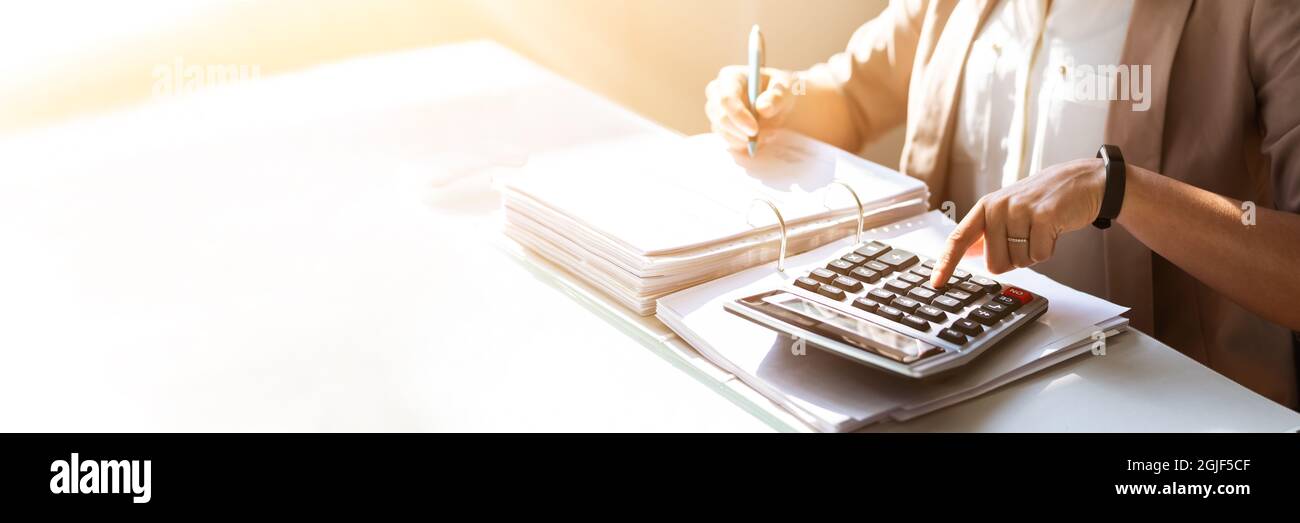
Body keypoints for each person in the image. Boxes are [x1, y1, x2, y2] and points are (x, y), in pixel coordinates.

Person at [705, 0, 1300, 408]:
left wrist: (1118, 187)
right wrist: (773, 98)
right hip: (941, 369)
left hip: (1160, 418)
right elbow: (855, 96)